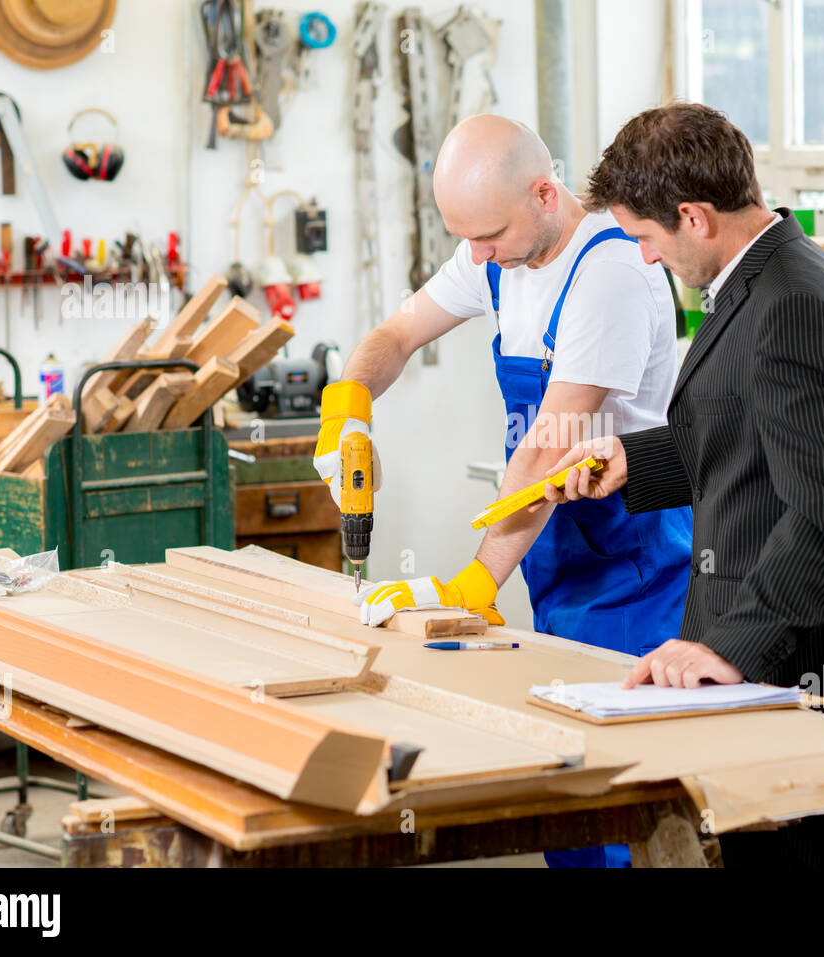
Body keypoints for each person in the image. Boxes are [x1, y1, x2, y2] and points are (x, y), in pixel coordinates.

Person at [541, 102, 824, 868]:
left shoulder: (792, 304)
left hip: (804, 674)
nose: (647, 260)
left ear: (693, 216)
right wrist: (634, 460)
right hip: (774, 665)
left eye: (646, 239)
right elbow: (752, 443)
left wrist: (730, 647)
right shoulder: (773, 277)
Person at [314, 114, 692, 868]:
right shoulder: (495, 255)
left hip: (637, 566)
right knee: (568, 789)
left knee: (620, 798)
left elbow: (550, 448)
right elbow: (394, 335)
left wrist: (475, 581)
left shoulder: (611, 271)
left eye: (487, 235)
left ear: (545, 193)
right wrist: (347, 405)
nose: (477, 254)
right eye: (467, 237)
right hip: (556, 555)